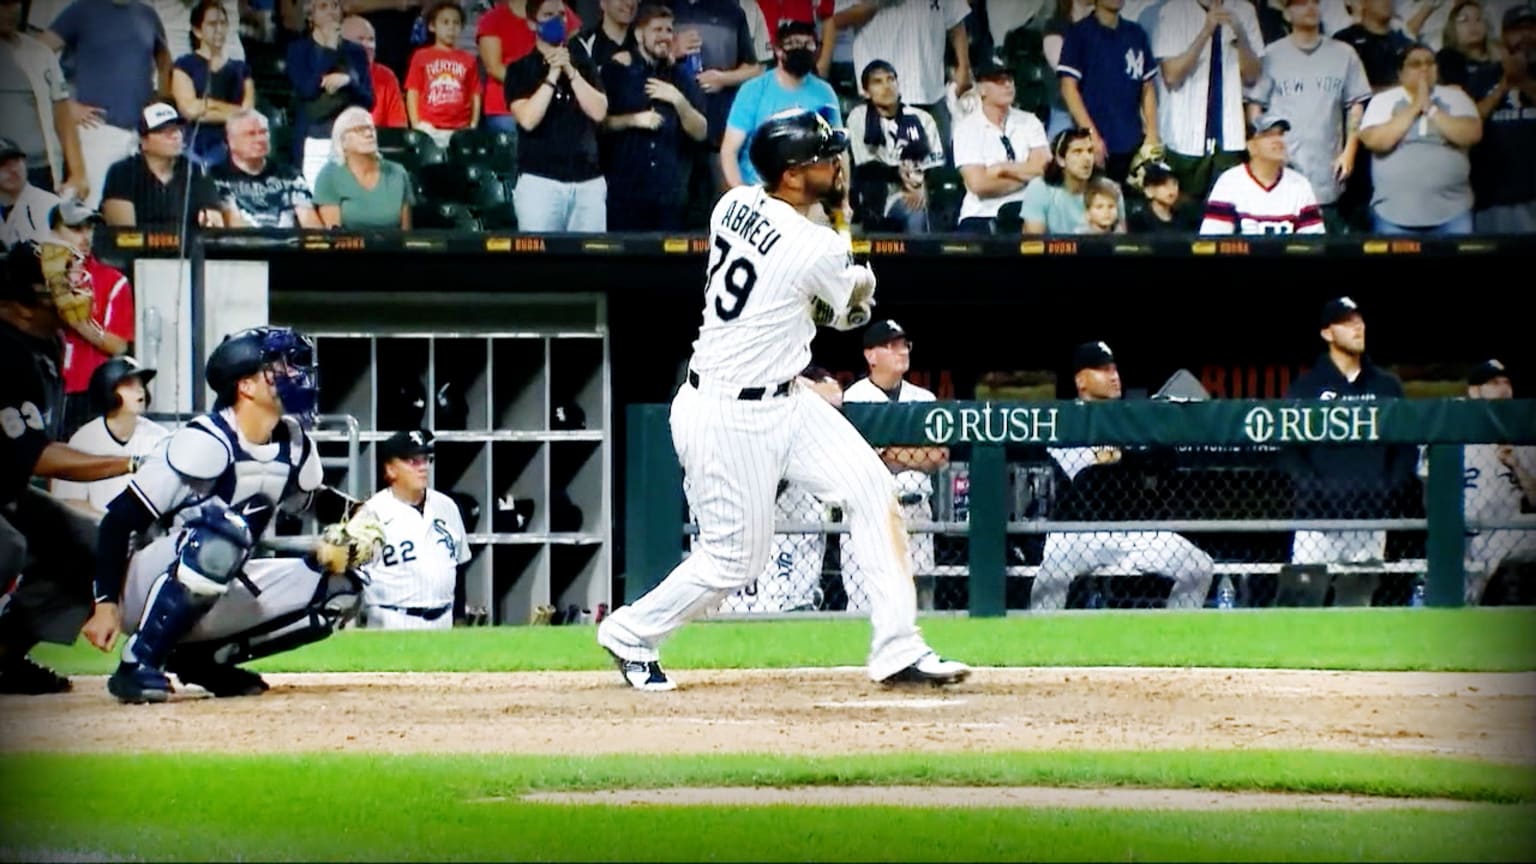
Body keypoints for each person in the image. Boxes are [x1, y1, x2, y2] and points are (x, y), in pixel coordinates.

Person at [596, 107, 970, 691]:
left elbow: (823, 285)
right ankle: (631, 632)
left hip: (787, 399)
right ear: (794, 174)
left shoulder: (732, 203)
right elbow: (848, 313)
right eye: (823, 157)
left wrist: (843, 258)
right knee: (733, 562)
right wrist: (858, 280)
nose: (835, 163)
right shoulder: (812, 245)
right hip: (725, 413)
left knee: (877, 491)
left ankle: (898, 648)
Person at [84, 325, 386, 703]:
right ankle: (137, 662)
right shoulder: (205, 439)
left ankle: (201, 662)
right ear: (245, 385)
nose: (295, 376)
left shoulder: (291, 443)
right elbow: (119, 521)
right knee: (222, 537)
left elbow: (317, 501)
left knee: (341, 589)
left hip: (219, 580)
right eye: (279, 367)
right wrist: (106, 605)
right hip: (149, 584)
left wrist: (364, 517)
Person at [0, 241, 140, 695]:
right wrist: (130, 461)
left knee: (90, 544)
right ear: (15, 308)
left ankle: (4, 656)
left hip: (8, 486)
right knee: (6, 547)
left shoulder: (47, 341)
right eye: (52, 288)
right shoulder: (4, 349)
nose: (72, 291)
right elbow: (36, 456)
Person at [1029, 341, 1215, 611]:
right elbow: (1085, 475)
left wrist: (1145, 449)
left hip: (1131, 532)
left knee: (1198, 567)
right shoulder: (1064, 418)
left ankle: (1174, 636)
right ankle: (1038, 643)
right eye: (1103, 370)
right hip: (1074, 534)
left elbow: (1163, 463)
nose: (1114, 376)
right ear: (1081, 380)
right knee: (1051, 577)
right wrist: (1132, 454)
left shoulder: (1132, 418)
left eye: (1114, 369)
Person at [1282, 296, 1417, 606]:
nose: (1358, 328)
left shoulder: (1386, 386)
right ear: (1327, 333)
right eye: (1347, 322)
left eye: (1360, 321)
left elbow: (1405, 449)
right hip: (1317, 521)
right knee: (1301, 604)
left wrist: (1386, 492)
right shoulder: (1306, 388)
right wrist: (1313, 492)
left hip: (1369, 519)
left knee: (1356, 606)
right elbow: (1290, 452)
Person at [839, 319, 947, 613]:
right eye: (892, 346)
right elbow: (857, 458)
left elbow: (939, 456)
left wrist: (885, 451)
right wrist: (913, 453)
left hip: (916, 511)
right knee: (864, 600)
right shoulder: (854, 399)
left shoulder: (923, 398)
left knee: (921, 599)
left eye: (904, 345)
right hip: (868, 512)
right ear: (871, 356)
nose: (902, 351)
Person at [1245, 0, 1372, 231]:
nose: (1311, 8)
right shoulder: (1271, 54)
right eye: (1302, 3)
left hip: (1327, 171)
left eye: (1315, 2)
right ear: (1286, 12)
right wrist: (1263, 152)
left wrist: (1349, 152)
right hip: (1282, 170)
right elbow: (1255, 106)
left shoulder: (1344, 54)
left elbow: (1355, 105)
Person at [1417, 358, 1536, 604]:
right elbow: (1429, 492)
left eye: (1506, 382)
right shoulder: (1451, 429)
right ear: (1474, 391)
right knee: (1454, 606)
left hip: (1507, 533)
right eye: (1493, 383)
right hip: (1461, 533)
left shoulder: (1524, 436)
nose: (1503, 389)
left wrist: (1516, 464)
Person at [599, 3, 708, 231]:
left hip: (670, 197)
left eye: (669, 30)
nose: (665, 36)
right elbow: (599, 124)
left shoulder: (679, 77)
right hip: (625, 195)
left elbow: (701, 131)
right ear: (639, 34)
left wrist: (678, 100)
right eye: (657, 30)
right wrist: (633, 120)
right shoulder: (617, 71)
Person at [1358, 41, 1483, 235]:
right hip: (1393, 215)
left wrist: (1431, 109)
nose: (1424, 68)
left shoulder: (1456, 97)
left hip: (1453, 212)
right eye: (1415, 64)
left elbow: (1472, 134)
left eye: (1430, 63)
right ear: (1400, 73)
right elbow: (1376, 141)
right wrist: (1416, 105)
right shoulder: (1383, 100)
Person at [506, 0, 610, 232]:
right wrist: (552, 75)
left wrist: (571, 72)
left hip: (588, 182)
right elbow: (528, 119)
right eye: (548, 14)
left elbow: (599, 111)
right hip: (540, 182)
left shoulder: (583, 64)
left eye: (562, 14)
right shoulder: (520, 69)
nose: (557, 20)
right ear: (533, 23)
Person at [356, 429, 470, 629]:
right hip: (392, 621)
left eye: (425, 459)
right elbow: (353, 578)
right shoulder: (371, 514)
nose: (423, 467)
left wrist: (459, 618)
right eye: (412, 461)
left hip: (444, 620)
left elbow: (459, 567)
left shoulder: (447, 506)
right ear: (391, 469)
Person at [49, 199, 136, 441]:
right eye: (76, 229)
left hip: (89, 391)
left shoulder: (112, 280)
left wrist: (78, 322)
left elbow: (119, 345)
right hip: (44, 387)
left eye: (90, 228)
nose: (85, 236)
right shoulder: (34, 277)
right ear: (53, 232)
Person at [721, 19, 842, 189]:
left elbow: (837, 150)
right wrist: (741, 194)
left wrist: (841, 198)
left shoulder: (825, 93)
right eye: (793, 43)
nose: (801, 48)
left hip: (811, 194)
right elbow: (729, 151)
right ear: (778, 50)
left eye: (808, 43)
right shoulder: (753, 90)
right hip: (758, 192)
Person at [1058, 0, 1163, 182]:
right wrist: (1091, 135)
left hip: (1133, 141)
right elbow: (1068, 88)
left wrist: (1152, 134)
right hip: (1095, 144)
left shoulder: (1136, 33)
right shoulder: (1079, 34)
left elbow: (1148, 86)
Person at [52, 356, 170, 514]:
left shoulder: (159, 437)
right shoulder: (84, 439)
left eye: (141, 383)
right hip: (97, 531)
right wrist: (111, 526)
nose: (140, 389)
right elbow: (70, 501)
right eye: (129, 384)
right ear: (108, 390)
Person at [844, 59, 946, 232]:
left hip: (914, 192)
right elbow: (865, 167)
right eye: (878, 82)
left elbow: (934, 166)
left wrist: (921, 187)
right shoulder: (858, 117)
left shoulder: (921, 118)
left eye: (891, 79)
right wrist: (898, 172)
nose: (887, 86)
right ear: (866, 92)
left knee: (917, 209)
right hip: (876, 194)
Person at [0, 0, 87, 199]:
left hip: (40, 172)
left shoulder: (40, 53)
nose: (12, 10)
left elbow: (62, 113)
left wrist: (78, 173)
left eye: (15, 3)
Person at [952, 60, 1051, 234]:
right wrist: (1027, 175)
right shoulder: (966, 129)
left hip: (1029, 212)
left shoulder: (1030, 122)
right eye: (999, 80)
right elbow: (979, 185)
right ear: (982, 89)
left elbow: (1045, 170)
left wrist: (1003, 169)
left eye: (1010, 79)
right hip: (982, 214)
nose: (1008, 85)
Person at [287, 0, 375, 189]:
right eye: (323, 7)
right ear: (310, 15)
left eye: (335, 6)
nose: (331, 12)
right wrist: (328, 50)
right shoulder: (299, 50)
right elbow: (307, 90)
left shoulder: (355, 51)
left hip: (350, 138)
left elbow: (368, 100)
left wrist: (348, 81)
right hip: (313, 137)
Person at [99, 101, 226, 230]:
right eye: (166, 132)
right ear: (144, 141)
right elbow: (123, 234)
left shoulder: (196, 171)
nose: (176, 136)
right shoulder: (122, 173)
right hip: (139, 248)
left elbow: (214, 225)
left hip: (190, 248)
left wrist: (210, 220)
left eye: (178, 129)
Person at [1199, 113, 1326, 233]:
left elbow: (1315, 245)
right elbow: (1213, 241)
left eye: (1280, 134)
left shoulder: (1300, 185)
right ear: (1250, 146)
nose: (1278, 140)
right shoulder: (1229, 183)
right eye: (1268, 135)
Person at [170, 0, 256, 168]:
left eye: (223, 23)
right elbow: (189, 110)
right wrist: (233, 112)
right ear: (197, 31)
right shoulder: (184, 65)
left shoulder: (240, 68)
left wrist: (205, 106)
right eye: (212, 24)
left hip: (234, 144)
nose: (219, 29)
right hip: (196, 145)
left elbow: (248, 112)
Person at [212, 109, 324, 228]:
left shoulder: (290, 176)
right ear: (230, 141)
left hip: (287, 244)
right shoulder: (217, 178)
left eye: (264, 132)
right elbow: (234, 227)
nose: (260, 139)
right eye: (251, 134)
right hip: (242, 244)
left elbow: (311, 225)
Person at [313, 106, 414, 228]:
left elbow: (406, 236)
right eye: (359, 129)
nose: (368, 134)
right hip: (349, 246)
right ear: (342, 141)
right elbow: (335, 237)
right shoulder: (329, 176)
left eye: (370, 128)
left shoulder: (398, 173)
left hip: (391, 246)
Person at [404, 1, 483, 148]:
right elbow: (413, 91)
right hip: (429, 127)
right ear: (432, 26)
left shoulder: (468, 60)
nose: (451, 28)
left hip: (460, 128)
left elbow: (475, 94)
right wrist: (416, 124)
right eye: (445, 22)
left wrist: (473, 124)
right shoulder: (421, 56)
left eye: (456, 23)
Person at [1021, 127, 1128, 234]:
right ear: (1061, 159)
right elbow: (1034, 244)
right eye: (1078, 152)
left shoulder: (1108, 188)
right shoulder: (1039, 189)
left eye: (1090, 151)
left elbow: (1121, 242)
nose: (1087, 158)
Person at [341, 14, 409, 129]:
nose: (369, 46)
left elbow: (398, 130)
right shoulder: (329, 72)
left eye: (371, 40)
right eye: (360, 39)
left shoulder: (386, 76)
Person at [1127, 158, 1202, 231]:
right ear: (1149, 191)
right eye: (1163, 184)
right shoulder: (1139, 222)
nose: (1171, 189)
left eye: (1174, 183)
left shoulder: (1185, 219)